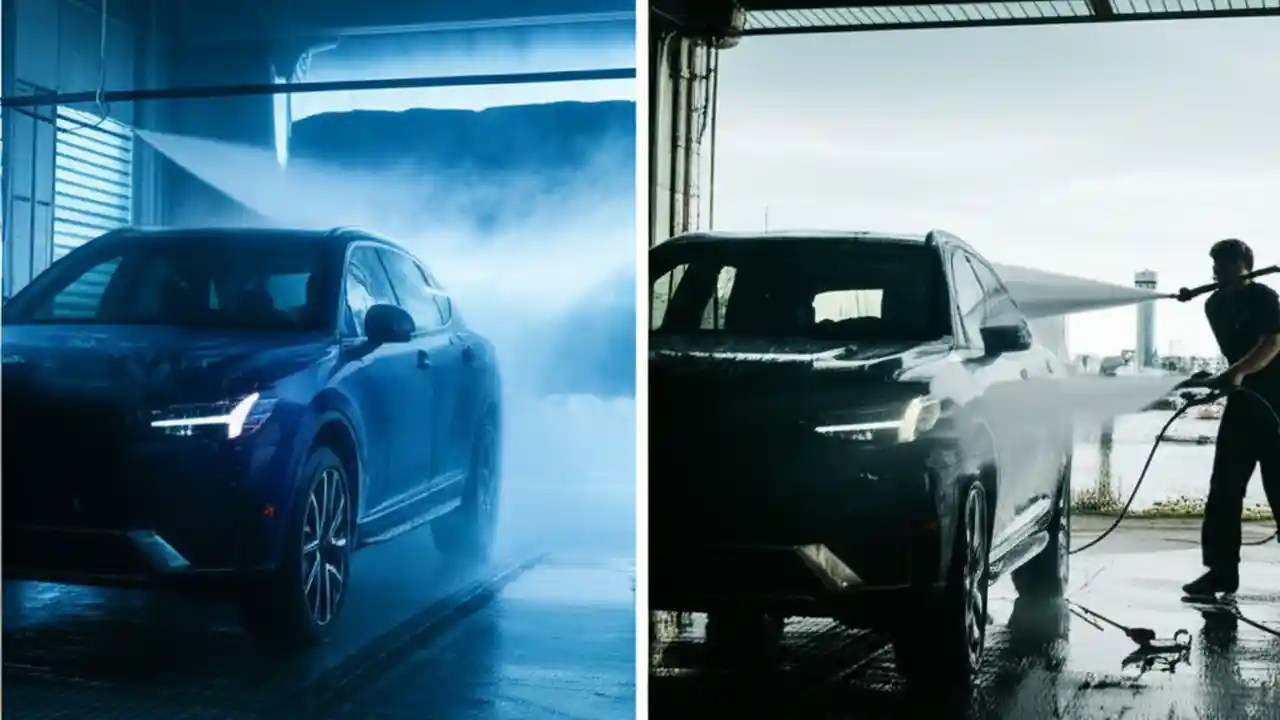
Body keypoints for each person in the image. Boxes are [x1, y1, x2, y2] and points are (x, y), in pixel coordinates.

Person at [1183, 239, 1280, 598]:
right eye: (1216, 267)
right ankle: (1221, 574)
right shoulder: (1213, 305)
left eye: (1228, 266)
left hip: (1276, 406)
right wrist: (1227, 378)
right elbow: (1236, 352)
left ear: (1246, 267)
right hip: (1242, 406)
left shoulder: (1265, 297)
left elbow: (1272, 343)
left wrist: (1237, 373)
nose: (1220, 272)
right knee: (1223, 491)